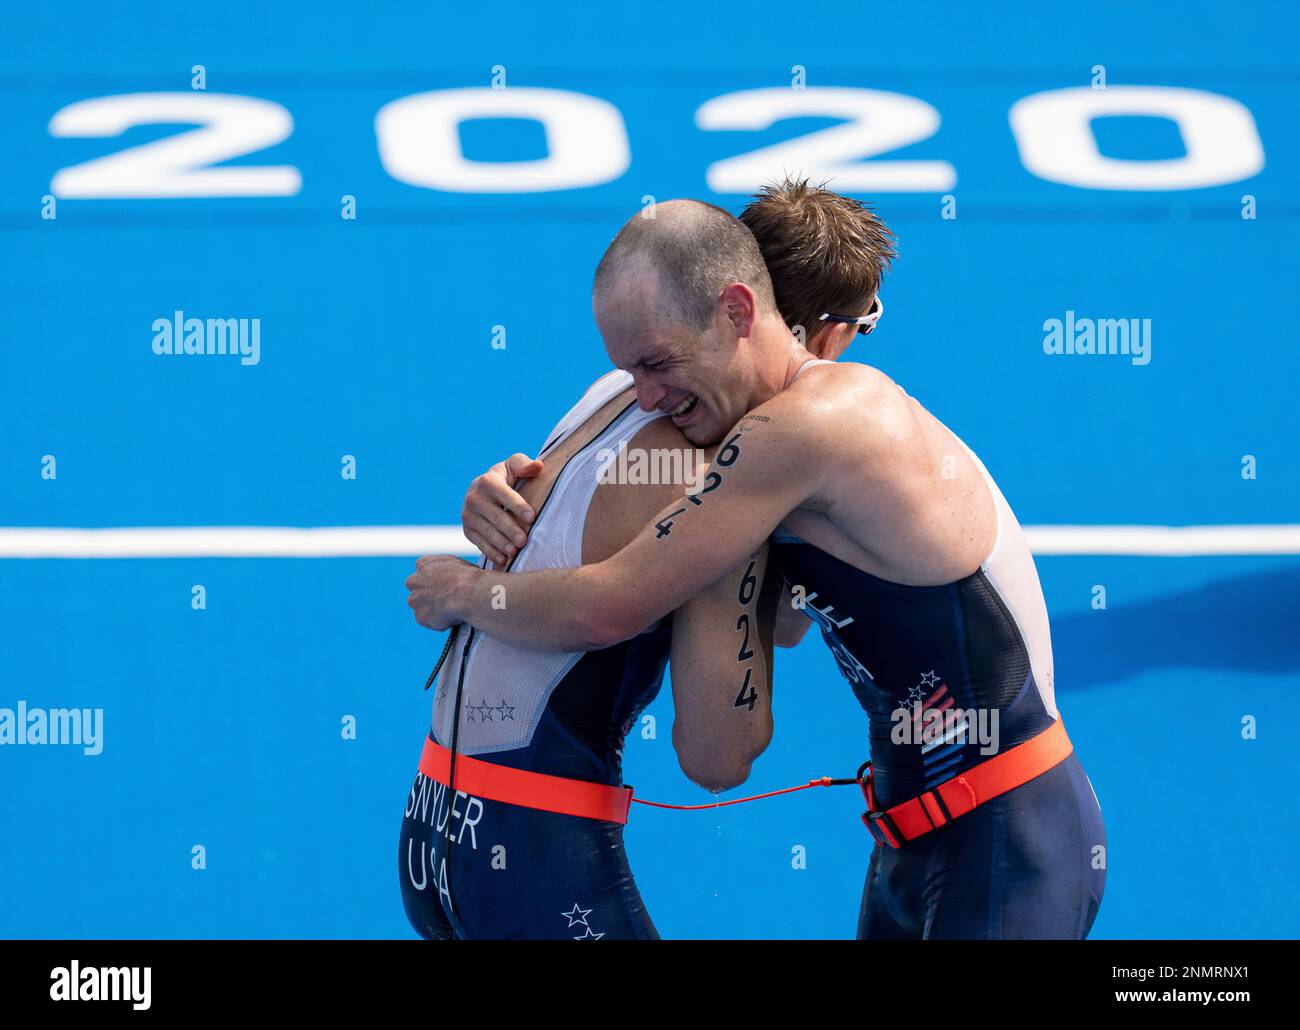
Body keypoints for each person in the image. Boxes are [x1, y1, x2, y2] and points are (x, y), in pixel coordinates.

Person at [406, 189, 1107, 939]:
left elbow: (718, 645)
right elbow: (717, 718)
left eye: (657, 364)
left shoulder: (810, 427)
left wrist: (469, 585)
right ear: (750, 312)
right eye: (856, 328)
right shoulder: (747, 441)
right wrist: (485, 556)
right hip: (941, 834)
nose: (646, 394)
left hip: (1002, 837)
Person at [399, 362, 779, 940]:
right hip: (540, 858)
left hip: (434, 826)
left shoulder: (614, 386)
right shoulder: (712, 479)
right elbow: (717, 760)